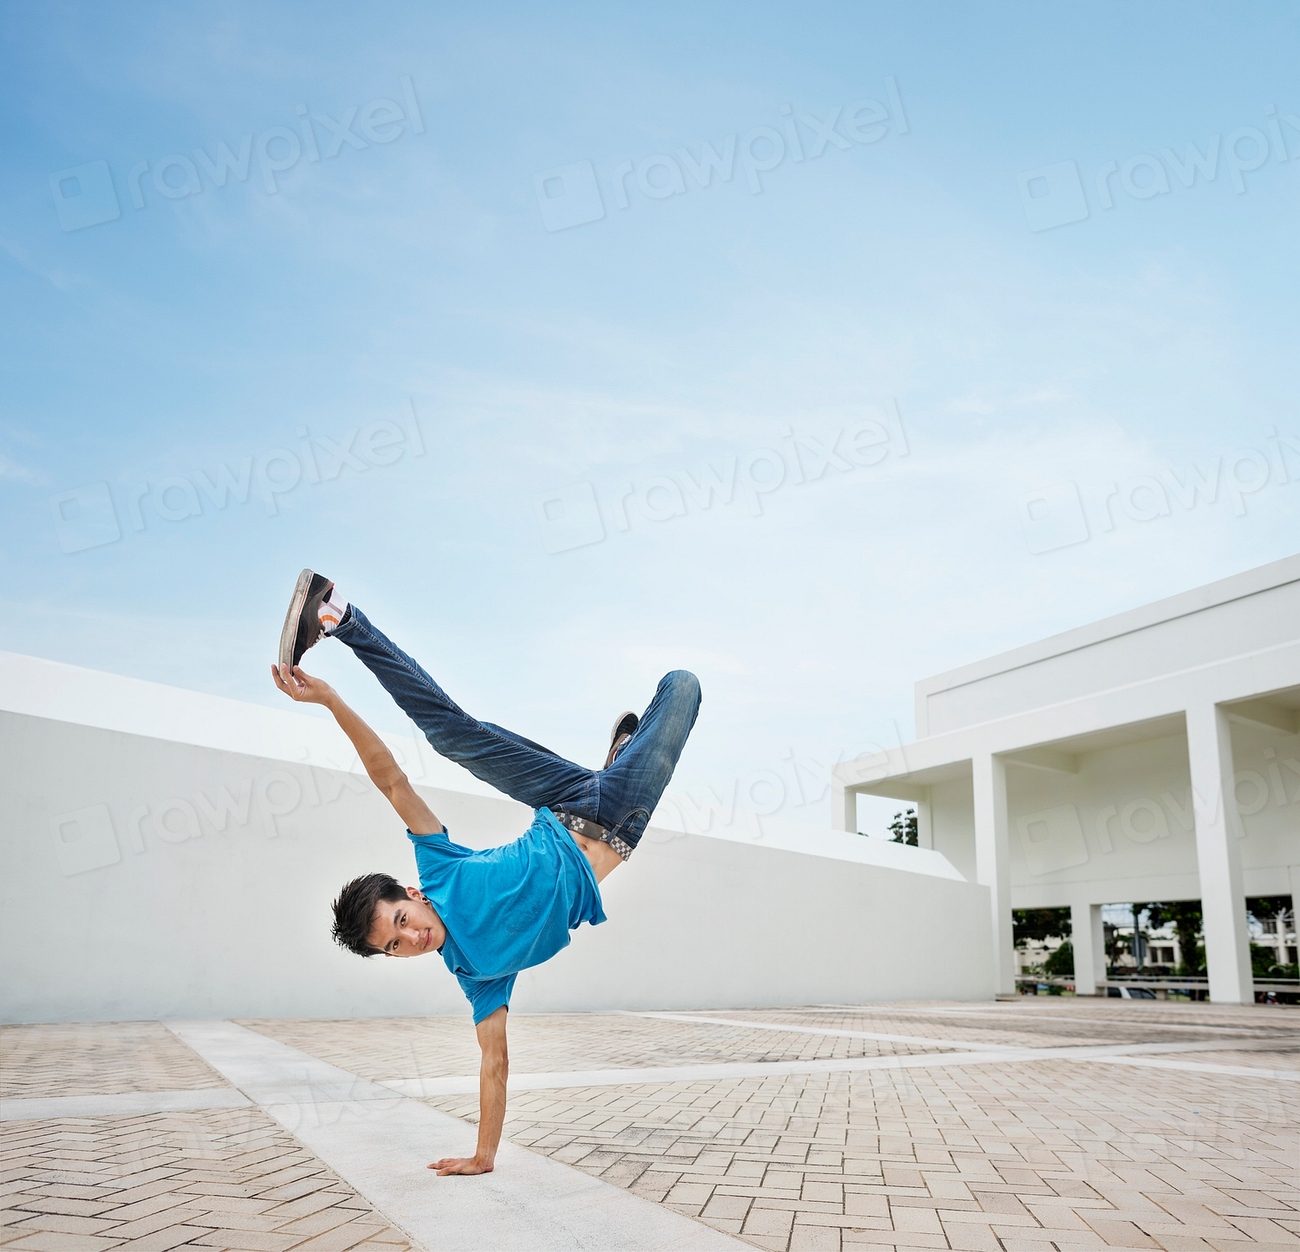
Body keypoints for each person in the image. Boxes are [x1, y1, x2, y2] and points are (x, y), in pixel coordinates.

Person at [270, 569, 700, 1176]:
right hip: (621, 819)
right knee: (684, 685)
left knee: (452, 735)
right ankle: (622, 760)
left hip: (563, 797)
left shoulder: (439, 869)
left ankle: (338, 617)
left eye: (402, 921)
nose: (413, 938)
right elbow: (494, 1063)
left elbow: (389, 777)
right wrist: (483, 1155)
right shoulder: (477, 975)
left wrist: (333, 701)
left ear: (412, 895)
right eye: (396, 947)